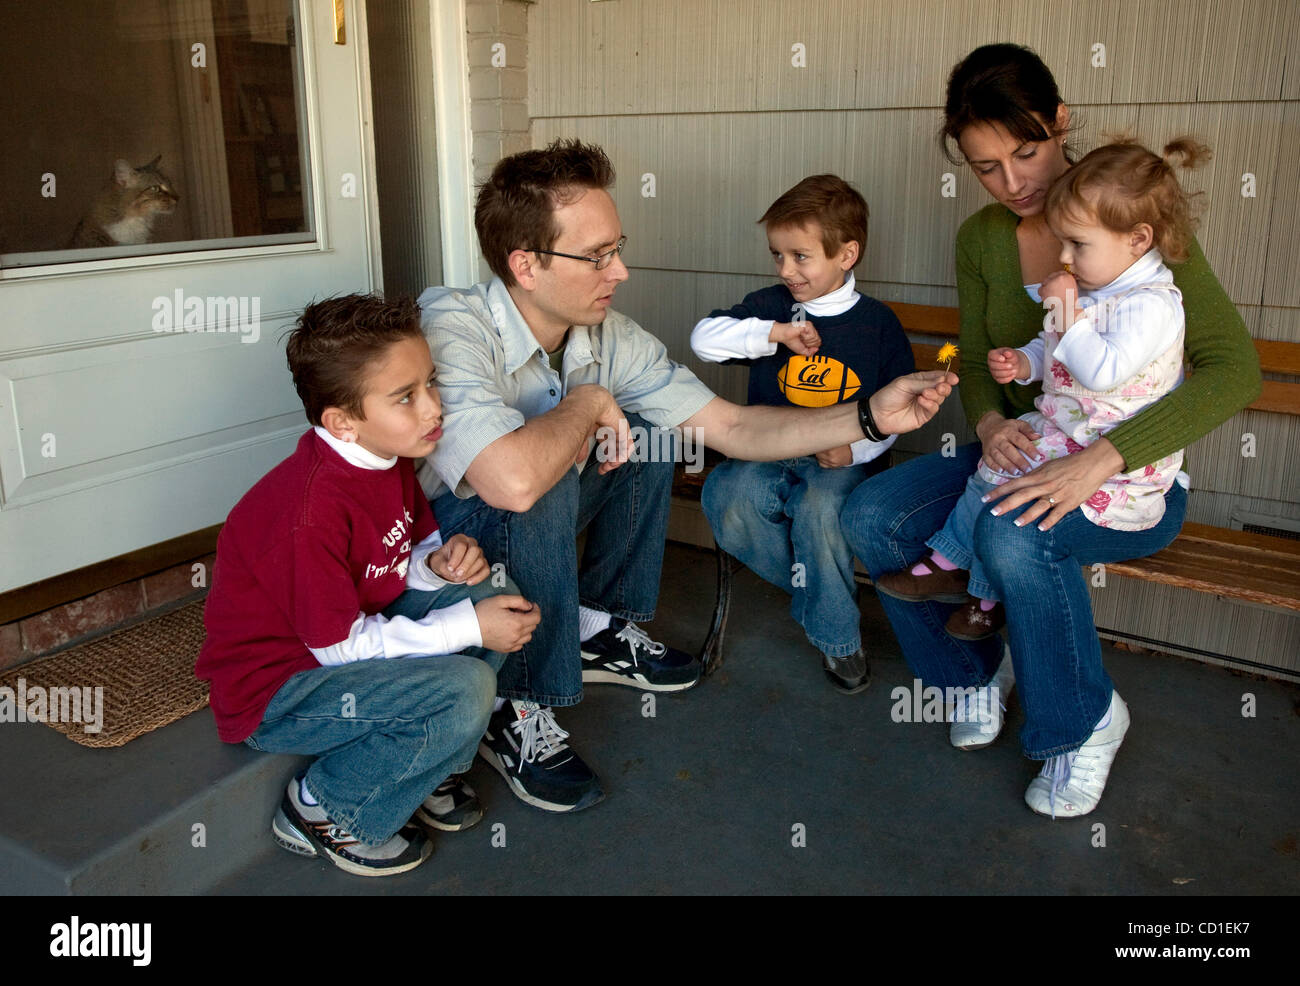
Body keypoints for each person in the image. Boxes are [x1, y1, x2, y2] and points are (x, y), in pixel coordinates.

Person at [418, 139, 957, 814]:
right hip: (449, 554)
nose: (622, 270)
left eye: (619, 246)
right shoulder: (454, 323)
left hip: (531, 523)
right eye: (598, 256)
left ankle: (598, 626)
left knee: (655, 431)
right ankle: (517, 704)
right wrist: (589, 403)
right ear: (525, 265)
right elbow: (511, 483)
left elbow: (732, 426)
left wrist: (870, 417)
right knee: (546, 465)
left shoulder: (611, 336)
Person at [841, 44, 1260, 819]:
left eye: (1027, 151)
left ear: (1060, 122)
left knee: (1013, 536)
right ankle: (974, 675)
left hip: (1128, 476)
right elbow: (975, 362)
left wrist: (1104, 457)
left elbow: (1234, 371)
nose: (1014, 182)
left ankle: (1084, 723)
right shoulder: (981, 240)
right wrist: (993, 419)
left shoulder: (1128, 224)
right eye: (986, 167)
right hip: (1032, 442)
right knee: (872, 514)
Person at [195, 294, 540, 876]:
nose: (434, 407)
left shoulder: (387, 453)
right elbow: (340, 648)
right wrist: (464, 627)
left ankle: (425, 768)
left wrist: (439, 567)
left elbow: (397, 558)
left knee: (488, 598)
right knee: (465, 685)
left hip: (343, 641)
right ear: (341, 421)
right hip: (282, 690)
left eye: (430, 383)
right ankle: (325, 808)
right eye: (406, 396)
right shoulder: (308, 514)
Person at [875, 136, 1209, 655]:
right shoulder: (1098, 289)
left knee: (1013, 507)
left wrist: (1068, 313)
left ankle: (984, 601)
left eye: (1079, 244)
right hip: (1065, 431)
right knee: (995, 470)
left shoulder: (1152, 305)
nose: (1065, 256)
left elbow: (1102, 370)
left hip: (1115, 457)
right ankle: (948, 561)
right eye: (1063, 242)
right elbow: (1051, 343)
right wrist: (1025, 361)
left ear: (1138, 239)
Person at [691, 174, 913, 693]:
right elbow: (704, 340)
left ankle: (838, 639)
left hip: (840, 462)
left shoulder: (877, 324)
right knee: (728, 493)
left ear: (846, 254)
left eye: (801, 256)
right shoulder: (770, 307)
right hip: (765, 450)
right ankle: (820, 599)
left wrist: (857, 444)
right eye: (778, 256)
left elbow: (900, 409)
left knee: (820, 510)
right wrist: (774, 334)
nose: (787, 270)